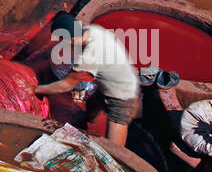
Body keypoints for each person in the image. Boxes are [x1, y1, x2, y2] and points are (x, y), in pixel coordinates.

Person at [35, 13, 140, 148]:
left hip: (122, 95)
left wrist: (37, 89)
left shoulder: (89, 56)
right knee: (92, 109)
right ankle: (88, 123)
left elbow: (66, 85)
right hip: (108, 81)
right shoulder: (93, 31)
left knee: (114, 147)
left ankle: (113, 161)